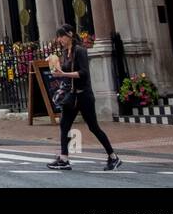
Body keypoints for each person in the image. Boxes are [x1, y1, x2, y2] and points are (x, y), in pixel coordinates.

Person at [47, 24, 121, 171]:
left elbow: (84, 73)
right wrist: (56, 70)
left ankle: (113, 157)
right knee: (64, 125)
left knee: (94, 127)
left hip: (84, 96)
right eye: (58, 37)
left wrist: (63, 74)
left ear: (69, 34)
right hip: (71, 96)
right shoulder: (64, 52)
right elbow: (65, 72)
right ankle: (64, 159)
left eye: (61, 36)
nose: (59, 39)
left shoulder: (80, 51)